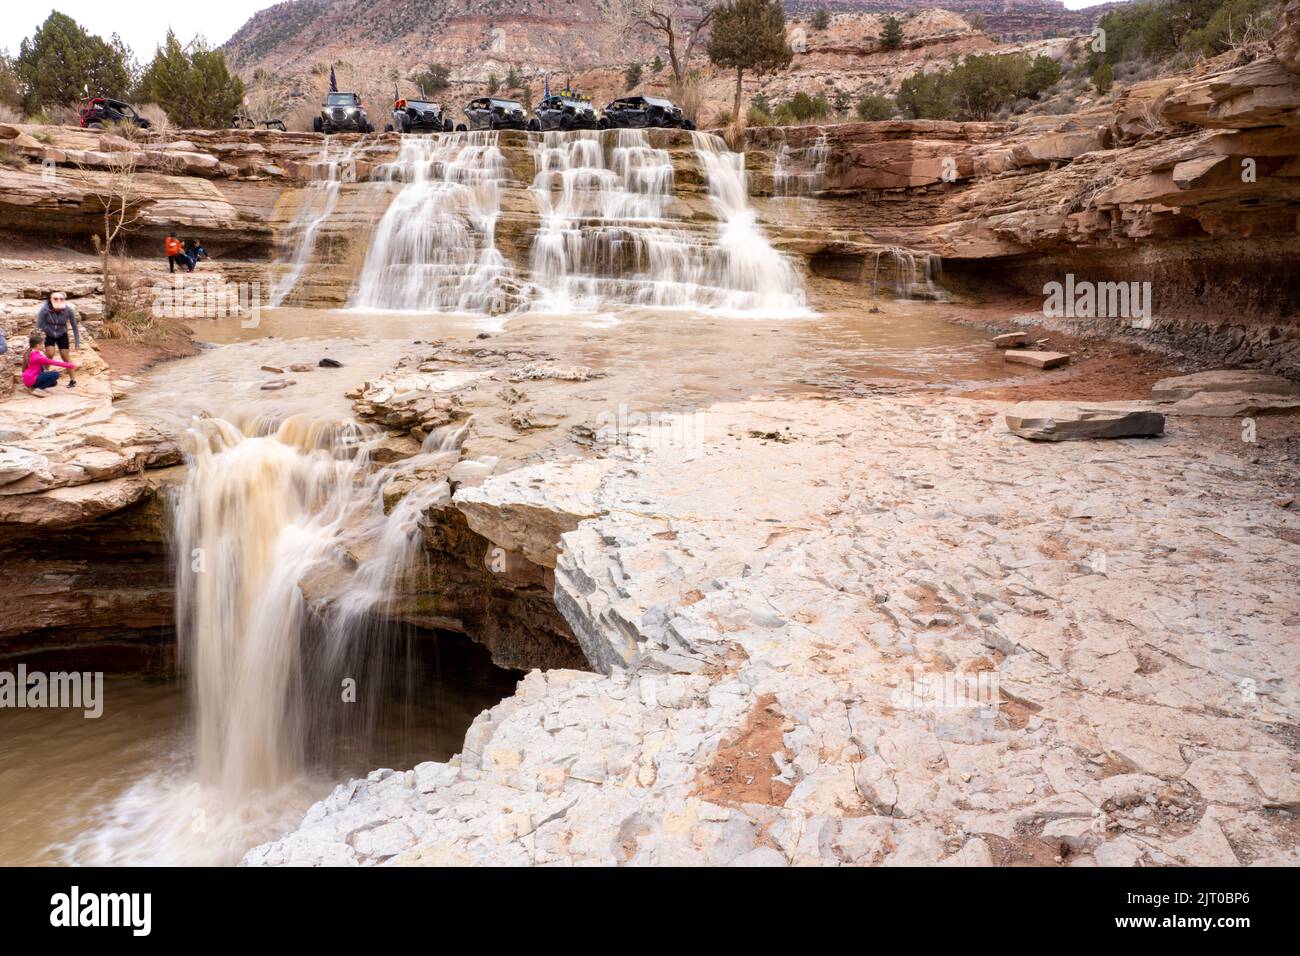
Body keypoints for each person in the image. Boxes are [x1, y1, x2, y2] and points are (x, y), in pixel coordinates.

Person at [34, 291, 80, 388]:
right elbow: (37, 326)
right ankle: (43, 375)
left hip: (62, 334)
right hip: (49, 334)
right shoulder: (45, 309)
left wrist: (77, 342)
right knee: (50, 354)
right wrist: (34, 344)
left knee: (65, 356)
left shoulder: (68, 310)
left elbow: (74, 326)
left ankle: (73, 380)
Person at [22, 333, 76, 397]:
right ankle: (38, 389)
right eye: (42, 344)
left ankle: (31, 387)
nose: (43, 345)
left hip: (28, 378)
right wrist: (69, 365)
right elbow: (53, 362)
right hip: (32, 379)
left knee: (54, 383)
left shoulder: (29, 352)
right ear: (38, 345)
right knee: (56, 374)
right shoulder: (37, 356)